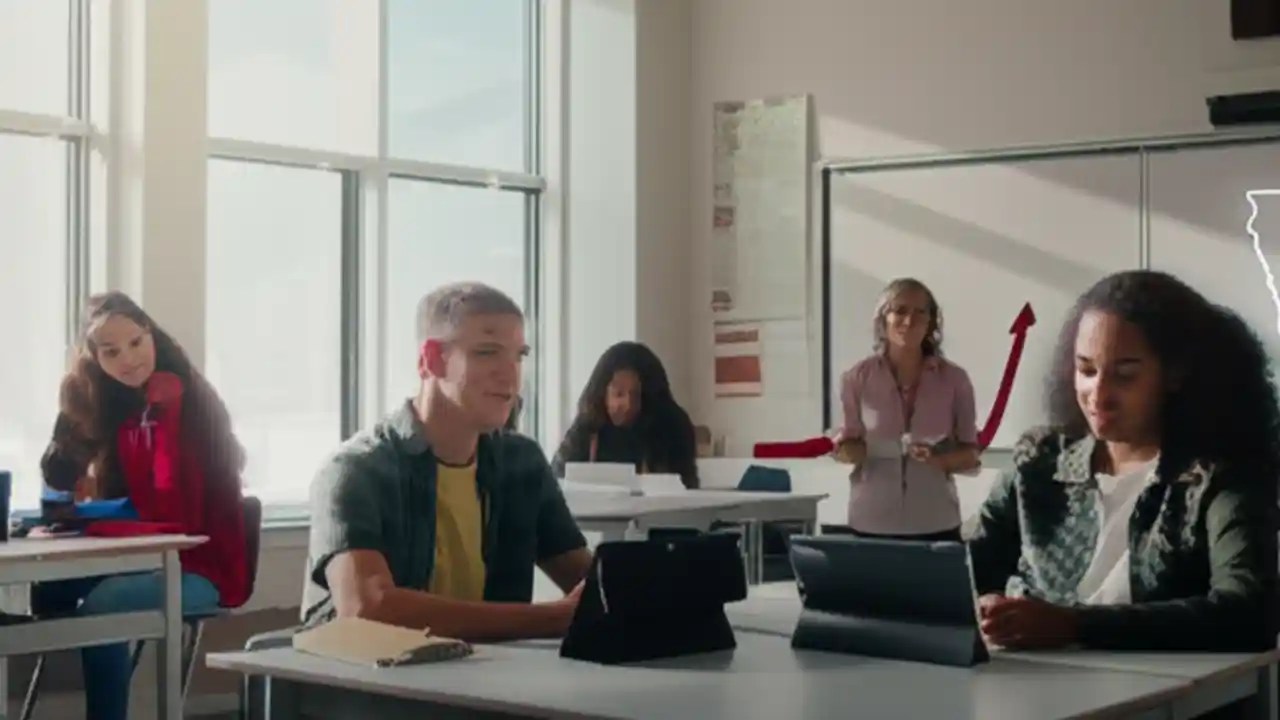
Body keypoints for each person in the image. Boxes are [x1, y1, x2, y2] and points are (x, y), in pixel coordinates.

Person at [969, 270, 1280, 652]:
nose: (1097, 395)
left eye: (1125, 376)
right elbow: (969, 568)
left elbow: (1249, 613)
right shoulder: (1039, 460)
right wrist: (983, 605)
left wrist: (1073, 625)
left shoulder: (1217, 476)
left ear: (1175, 374)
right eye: (1086, 370)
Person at [304, 282, 590, 640]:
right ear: (432, 360)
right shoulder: (354, 470)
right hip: (367, 688)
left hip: (486, 684)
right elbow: (367, 609)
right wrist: (552, 618)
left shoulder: (522, 463)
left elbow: (592, 585)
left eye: (519, 356)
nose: (510, 375)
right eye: (487, 353)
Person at [37, 291, 250, 720]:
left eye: (136, 342)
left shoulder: (188, 398)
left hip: (204, 564)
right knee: (52, 590)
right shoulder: (109, 397)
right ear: (94, 357)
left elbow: (179, 515)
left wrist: (164, 415)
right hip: (147, 552)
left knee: (103, 604)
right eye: (111, 352)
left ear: (151, 333)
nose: (129, 360)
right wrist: (74, 411)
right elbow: (58, 478)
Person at [829, 278, 981, 540]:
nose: (909, 321)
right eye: (900, 311)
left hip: (936, 523)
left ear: (931, 322)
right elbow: (845, 448)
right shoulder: (855, 379)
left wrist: (938, 460)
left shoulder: (955, 379)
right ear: (883, 319)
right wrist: (850, 450)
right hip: (871, 523)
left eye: (920, 312)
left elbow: (970, 455)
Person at [552, 341, 699, 489]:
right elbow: (555, 484)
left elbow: (686, 490)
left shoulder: (672, 430)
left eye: (636, 396)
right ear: (602, 393)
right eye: (618, 394)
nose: (628, 405)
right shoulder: (585, 430)